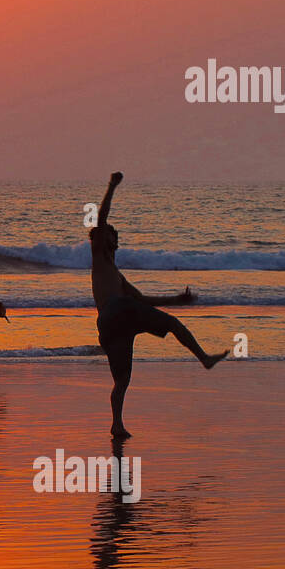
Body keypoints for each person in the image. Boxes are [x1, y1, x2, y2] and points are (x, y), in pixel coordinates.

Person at [90, 172, 228, 439]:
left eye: (112, 236)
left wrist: (176, 299)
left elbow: (143, 300)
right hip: (117, 312)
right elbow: (101, 217)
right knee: (172, 325)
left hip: (112, 323)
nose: (110, 238)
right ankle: (204, 359)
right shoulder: (99, 257)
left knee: (121, 381)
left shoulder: (117, 277)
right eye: (106, 235)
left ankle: (116, 425)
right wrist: (111, 187)